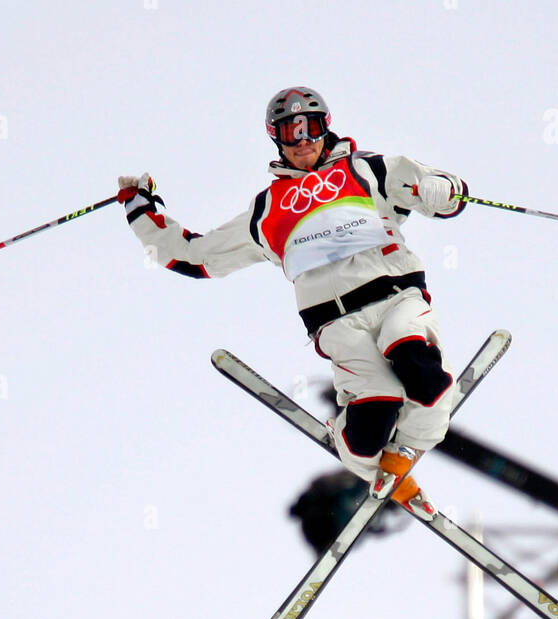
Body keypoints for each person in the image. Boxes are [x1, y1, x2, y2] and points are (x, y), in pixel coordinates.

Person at [118, 86, 468, 520]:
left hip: (397, 296)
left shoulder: (369, 170)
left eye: (311, 126)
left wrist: (442, 190)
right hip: (338, 324)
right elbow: (194, 256)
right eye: (290, 130)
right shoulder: (266, 211)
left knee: (419, 369)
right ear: (276, 138)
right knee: (371, 422)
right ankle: (363, 450)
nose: (303, 139)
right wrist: (140, 208)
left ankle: (404, 453)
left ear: (326, 126)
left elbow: (443, 191)